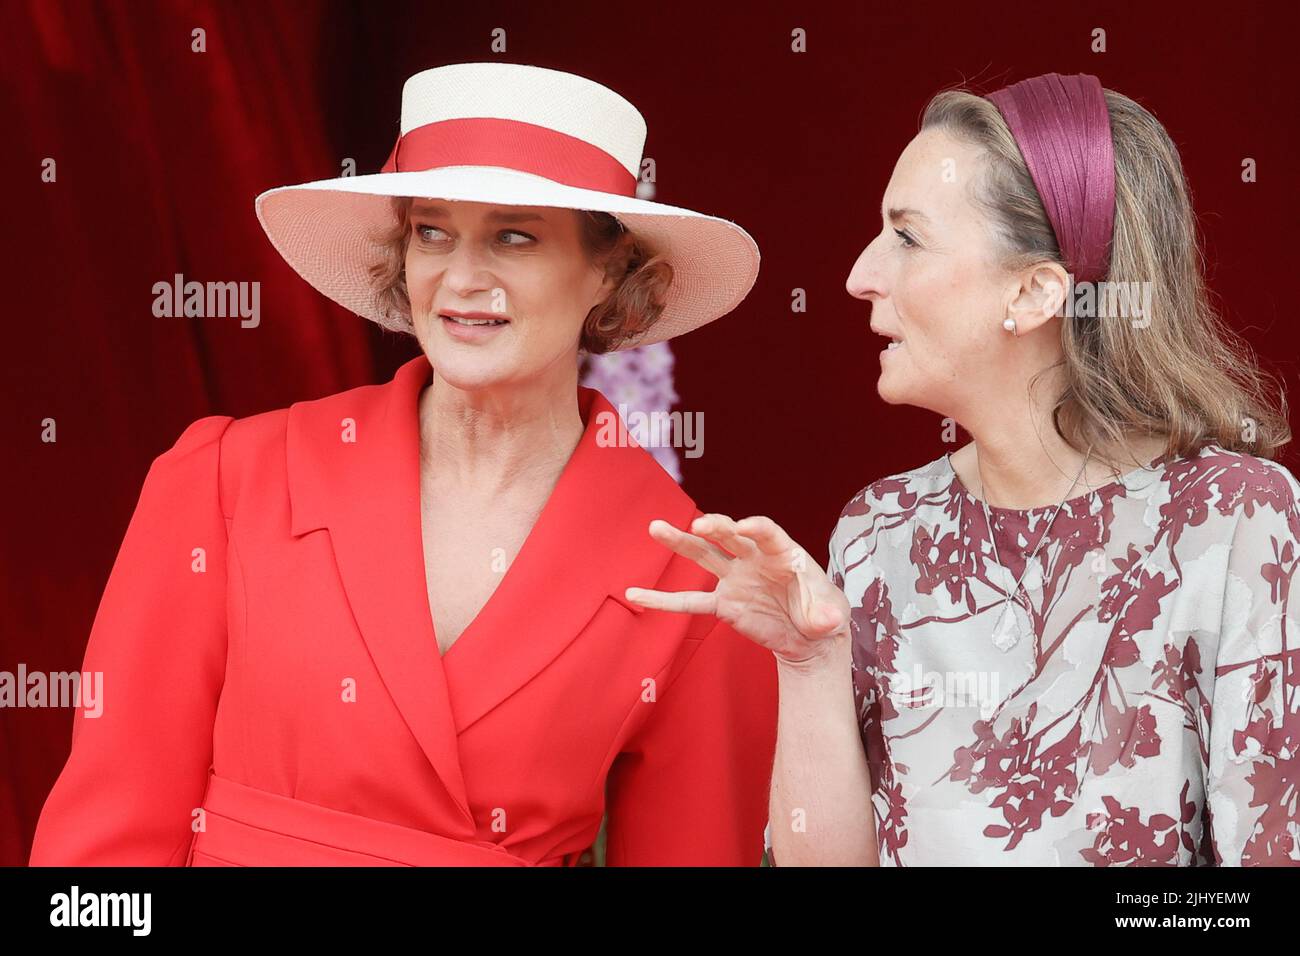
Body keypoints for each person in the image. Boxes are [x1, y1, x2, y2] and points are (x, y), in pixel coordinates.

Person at [29, 62, 776, 866]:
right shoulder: (226, 477)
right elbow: (103, 847)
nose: (460, 278)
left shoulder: (694, 576)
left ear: (610, 272)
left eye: (513, 235)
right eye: (431, 231)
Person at [628, 73, 1300, 866]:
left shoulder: (1236, 520)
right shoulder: (877, 531)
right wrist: (809, 662)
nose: (859, 275)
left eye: (907, 236)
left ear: (1035, 291)